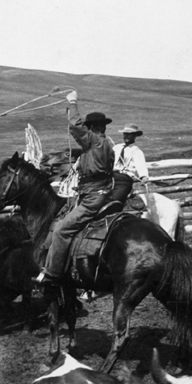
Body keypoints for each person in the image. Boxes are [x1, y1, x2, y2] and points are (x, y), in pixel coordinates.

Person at [36, 91, 114, 285]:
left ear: (94, 127)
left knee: (62, 230)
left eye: (89, 127)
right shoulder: (106, 145)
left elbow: (74, 125)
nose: (85, 130)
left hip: (91, 197)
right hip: (95, 192)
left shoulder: (95, 141)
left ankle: (53, 274)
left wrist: (72, 102)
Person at [110, 124, 149, 205]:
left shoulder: (137, 151)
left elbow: (141, 166)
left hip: (124, 179)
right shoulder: (116, 147)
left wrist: (144, 176)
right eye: (125, 134)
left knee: (115, 200)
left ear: (135, 136)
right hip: (111, 177)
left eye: (129, 134)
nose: (126, 136)